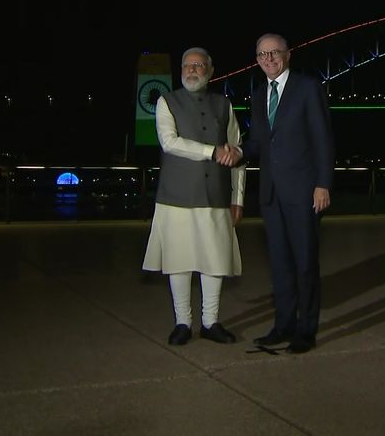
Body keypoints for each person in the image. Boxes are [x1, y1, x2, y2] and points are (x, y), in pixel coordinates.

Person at [238, 33, 335, 353]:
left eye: (274, 52)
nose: (269, 59)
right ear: (257, 60)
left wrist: (323, 184)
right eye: (262, 54)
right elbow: (258, 144)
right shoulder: (257, 94)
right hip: (271, 194)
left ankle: (306, 330)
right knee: (279, 264)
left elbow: (323, 138)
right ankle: (283, 325)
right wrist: (237, 151)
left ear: (288, 54)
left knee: (305, 263)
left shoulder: (308, 88)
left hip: (304, 192)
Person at [142, 47, 245, 346]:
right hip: (176, 196)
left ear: (210, 71)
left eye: (199, 65)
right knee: (179, 261)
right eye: (187, 65)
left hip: (215, 196)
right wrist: (211, 151)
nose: (192, 70)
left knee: (215, 260)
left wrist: (238, 197)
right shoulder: (166, 102)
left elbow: (237, 153)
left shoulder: (224, 105)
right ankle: (182, 322)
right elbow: (169, 142)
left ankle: (211, 321)